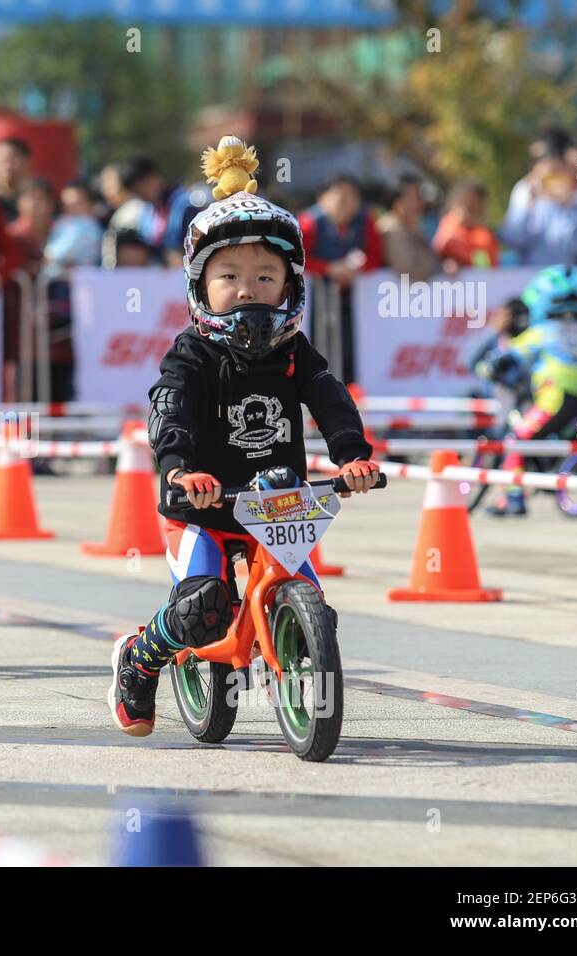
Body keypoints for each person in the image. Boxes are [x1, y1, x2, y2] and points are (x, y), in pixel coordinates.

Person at [106, 145, 378, 737]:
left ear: (290, 284)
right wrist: (179, 468)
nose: (248, 289)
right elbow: (169, 406)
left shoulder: (293, 352)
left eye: (265, 276)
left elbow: (330, 398)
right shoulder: (192, 352)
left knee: (311, 596)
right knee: (202, 606)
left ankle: (297, 661)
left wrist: (352, 454)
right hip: (200, 502)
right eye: (229, 276)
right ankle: (139, 661)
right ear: (200, 284)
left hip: (276, 501)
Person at [473, 265, 577, 516]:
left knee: (516, 441)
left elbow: (507, 357)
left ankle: (514, 498)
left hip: (556, 397)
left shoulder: (543, 332)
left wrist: (489, 367)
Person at [298, 176, 383, 382]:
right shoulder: (308, 223)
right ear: (322, 198)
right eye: (341, 197)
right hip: (316, 305)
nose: (347, 204)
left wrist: (357, 269)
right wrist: (329, 268)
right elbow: (296, 258)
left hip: (354, 303)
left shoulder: (366, 221)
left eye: (353, 197)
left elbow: (376, 256)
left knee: (351, 348)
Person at [376, 174, 440, 281]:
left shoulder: (413, 227)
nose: (420, 203)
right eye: (414, 197)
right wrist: (435, 266)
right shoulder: (391, 230)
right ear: (397, 203)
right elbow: (409, 268)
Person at [433, 180, 499, 271]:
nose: (466, 211)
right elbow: (438, 252)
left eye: (472, 208)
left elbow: (484, 267)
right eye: (463, 204)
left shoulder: (483, 235)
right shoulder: (447, 227)